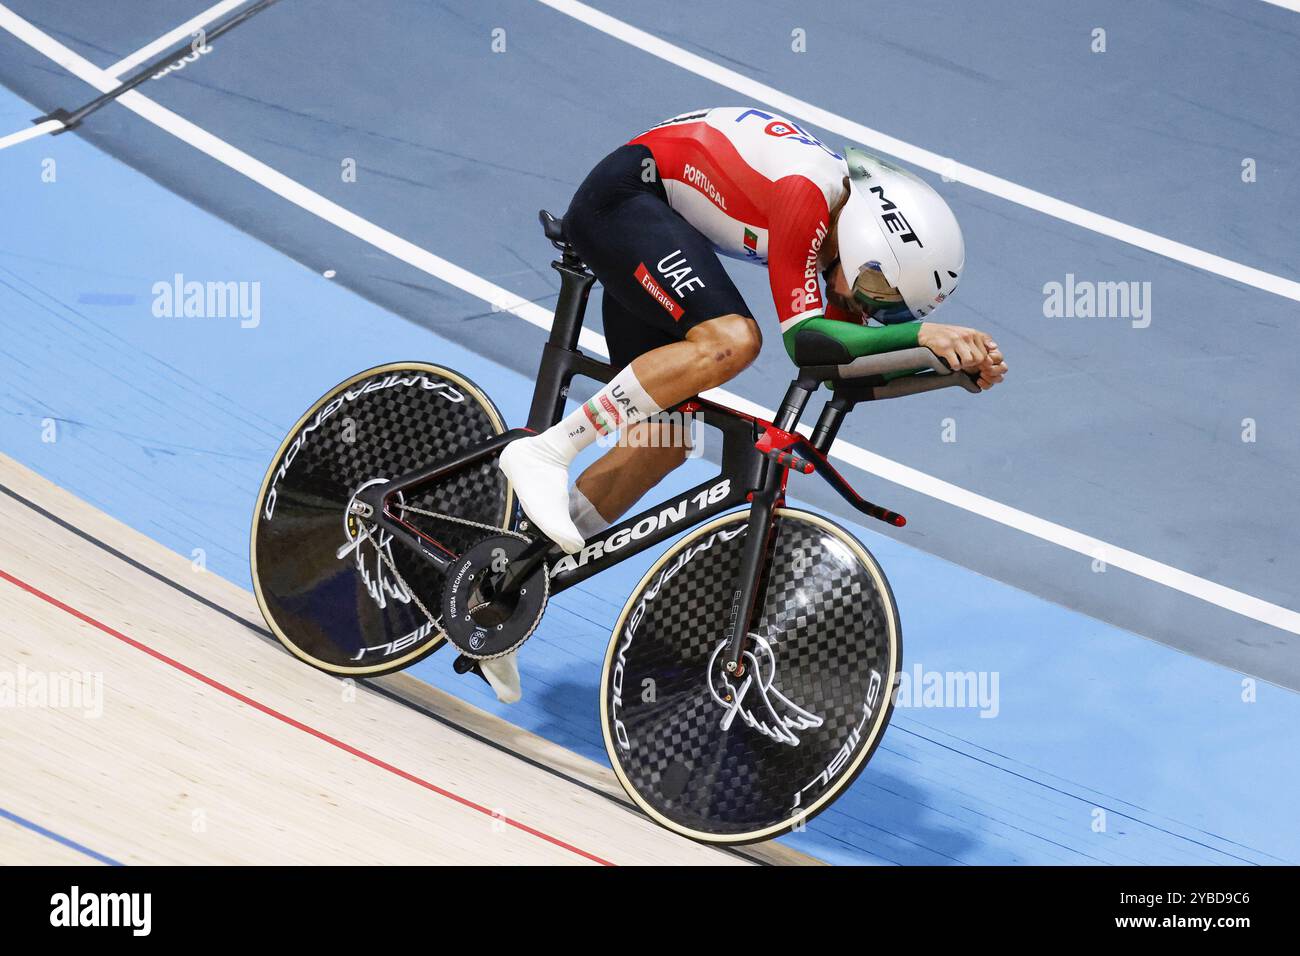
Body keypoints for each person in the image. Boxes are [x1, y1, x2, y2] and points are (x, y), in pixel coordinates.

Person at [482, 107, 1007, 702]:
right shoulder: (805, 196)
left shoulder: (846, 249)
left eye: (889, 309)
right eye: (875, 294)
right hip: (625, 200)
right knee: (732, 341)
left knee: (665, 444)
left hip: (663, 230)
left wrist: (944, 370)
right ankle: (546, 452)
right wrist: (920, 338)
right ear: (864, 246)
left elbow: (837, 368)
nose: (869, 311)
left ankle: (503, 592)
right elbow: (804, 341)